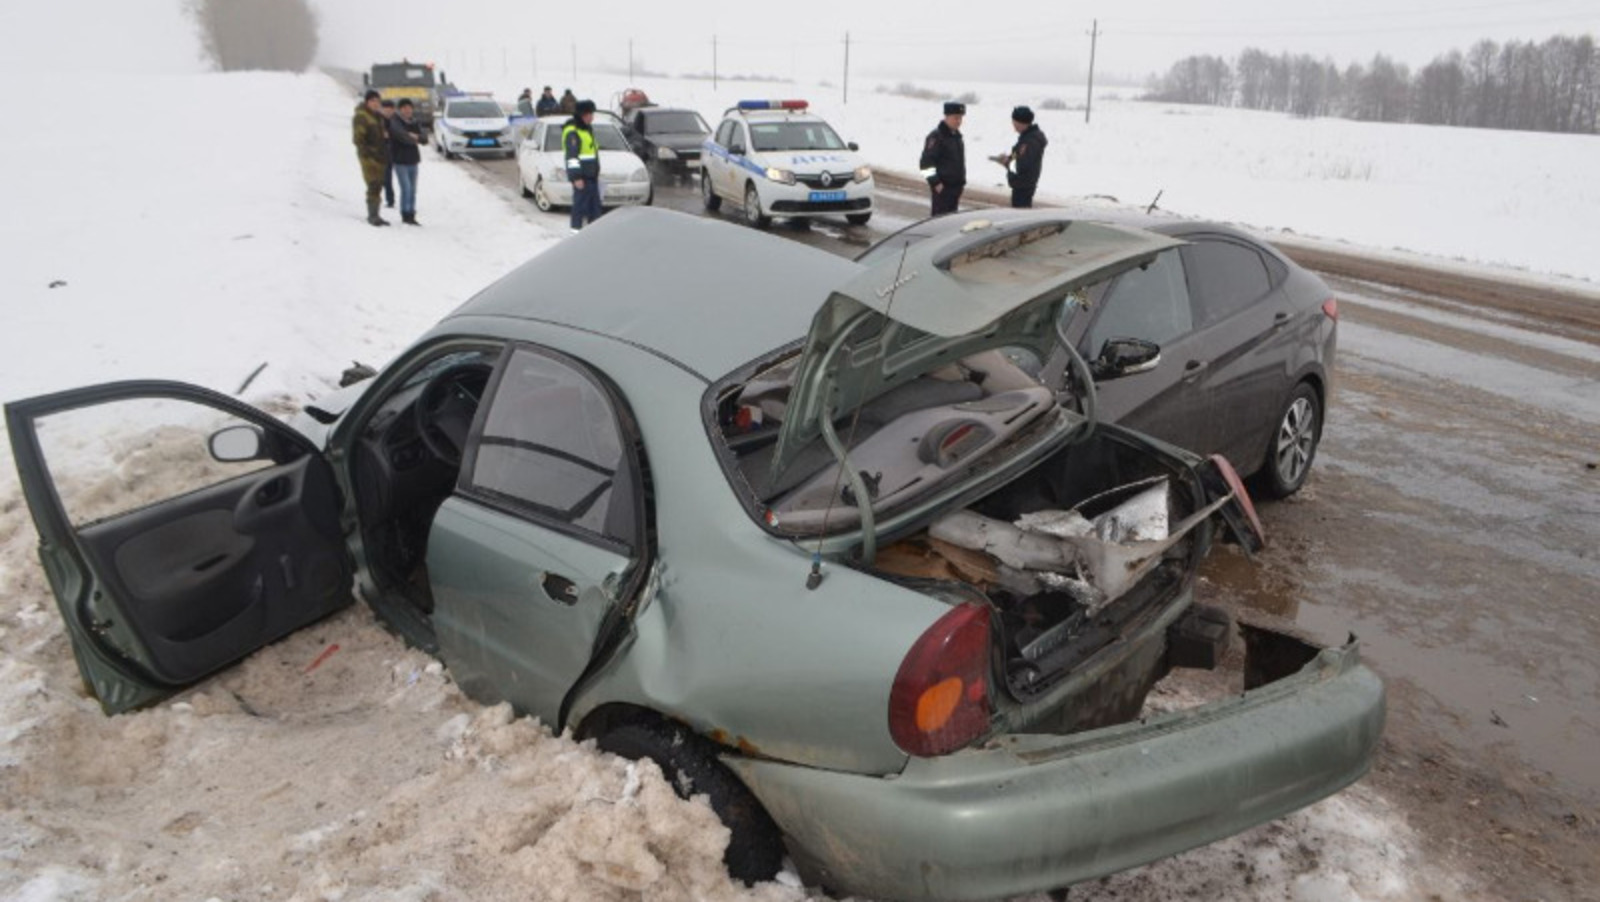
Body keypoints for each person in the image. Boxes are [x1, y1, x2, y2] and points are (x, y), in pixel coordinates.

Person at [919, 101, 966, 216]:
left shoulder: (956, 137)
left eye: (960, 118)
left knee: (951, 223)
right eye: (956, 118)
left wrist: (961, 184)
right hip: (943, 189)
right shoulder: (936, 137)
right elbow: (925, 164)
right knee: (939, 222)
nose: (959, 121)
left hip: (955, 189)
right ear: (947, 117)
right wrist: (936, 184)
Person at [352, 90, 391, 226]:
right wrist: (368, 154)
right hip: (368, 157)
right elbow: (358, 140)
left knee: (378, 185)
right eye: (373, 101)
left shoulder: (377, 116)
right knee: (373, 184)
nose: (376, 104)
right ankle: (372, 215)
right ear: (367, 102)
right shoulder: (362, 117)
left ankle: (376, 214)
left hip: (380, 156)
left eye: (377, 101)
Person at [563, 99, 601, 232]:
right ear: (582, 115)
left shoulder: (586, 129)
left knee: (594, 208)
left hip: (591, 177)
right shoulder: (573, 132)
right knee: (580, 208)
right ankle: (575, 234)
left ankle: (593, 234)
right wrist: (576, 177)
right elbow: (572, 157)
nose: (592, 117)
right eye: (590, 114)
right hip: (582, 178)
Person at [1002, 105, 1048, 208]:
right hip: (1023, 184)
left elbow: (1021, 165)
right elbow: (1019, 158)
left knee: (1019, 215)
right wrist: (1009, 158)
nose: (1013, 125)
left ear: (1022, 122)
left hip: (1023, 186)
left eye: (1015, 123)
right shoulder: (1027, 138)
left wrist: (1007, 162)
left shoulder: (1029, 142)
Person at [390, 99, 424, 225]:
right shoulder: (395, 121)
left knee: (413, 189)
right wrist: (414, 138)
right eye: (404, 108)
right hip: (400, 161)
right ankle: (405, 214)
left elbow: (425, 138)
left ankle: (411, 214)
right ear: (400, 109)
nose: (408, 110)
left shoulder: (415, 122)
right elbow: (402, 137)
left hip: (413, 160)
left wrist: (417, 137)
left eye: (409, 107)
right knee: (406, 188)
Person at [378, 99, 398, 209]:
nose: (388, 112)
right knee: (384, 178)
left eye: (390, 110)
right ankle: (389, 199)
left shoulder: (396, 121)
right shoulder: (379, 120)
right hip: (382, 153)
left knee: (387, 177)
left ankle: (390, 199)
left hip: (395, 152)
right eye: (385, 110)